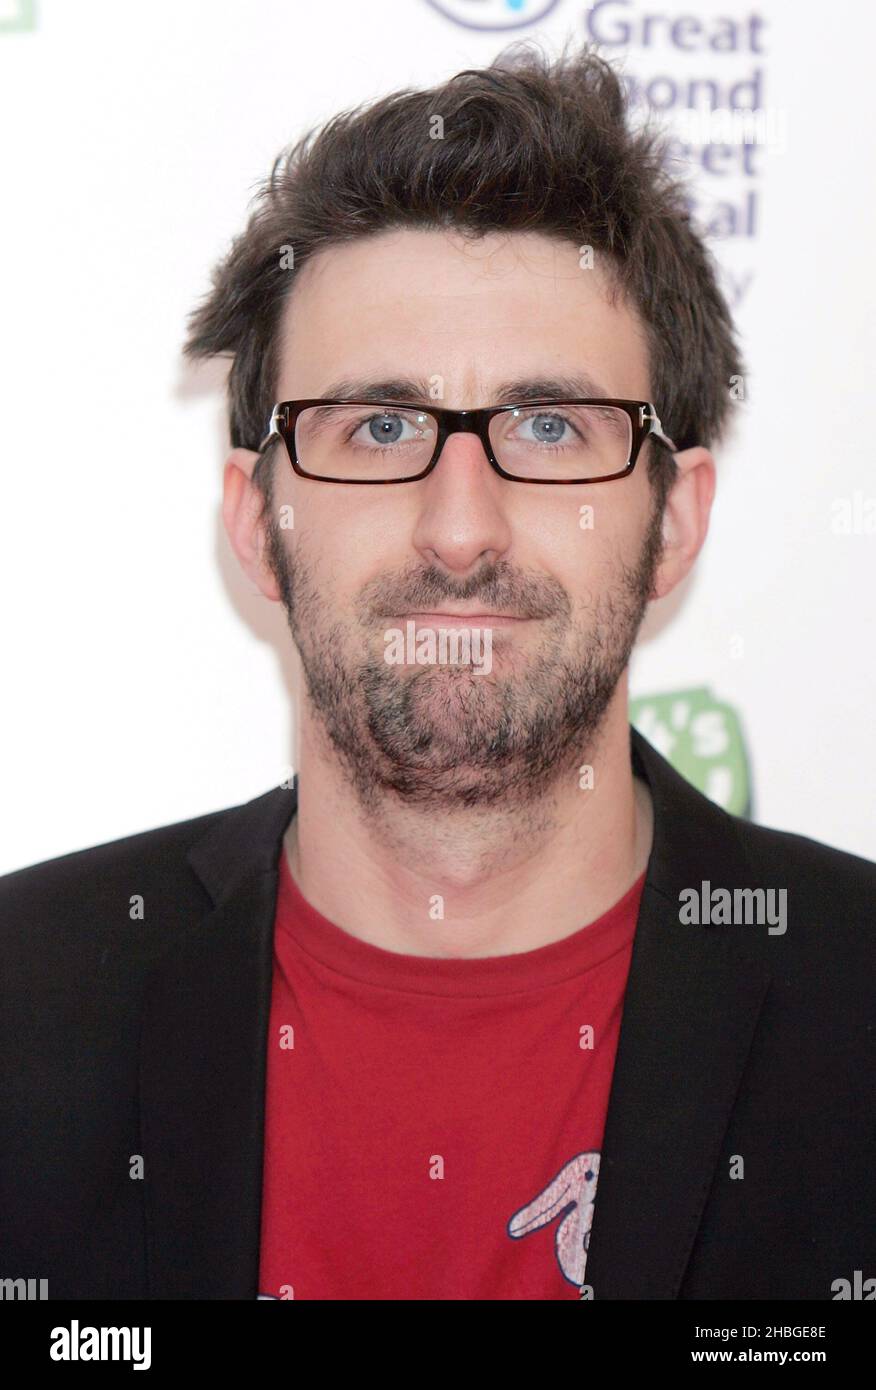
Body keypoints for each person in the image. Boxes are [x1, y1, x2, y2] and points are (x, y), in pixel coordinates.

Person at [1, 42, 873, 1302]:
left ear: (674, 519)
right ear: (257, 520)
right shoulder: (26, 1007)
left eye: (550, 426)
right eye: (380, 428)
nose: (460, 528)